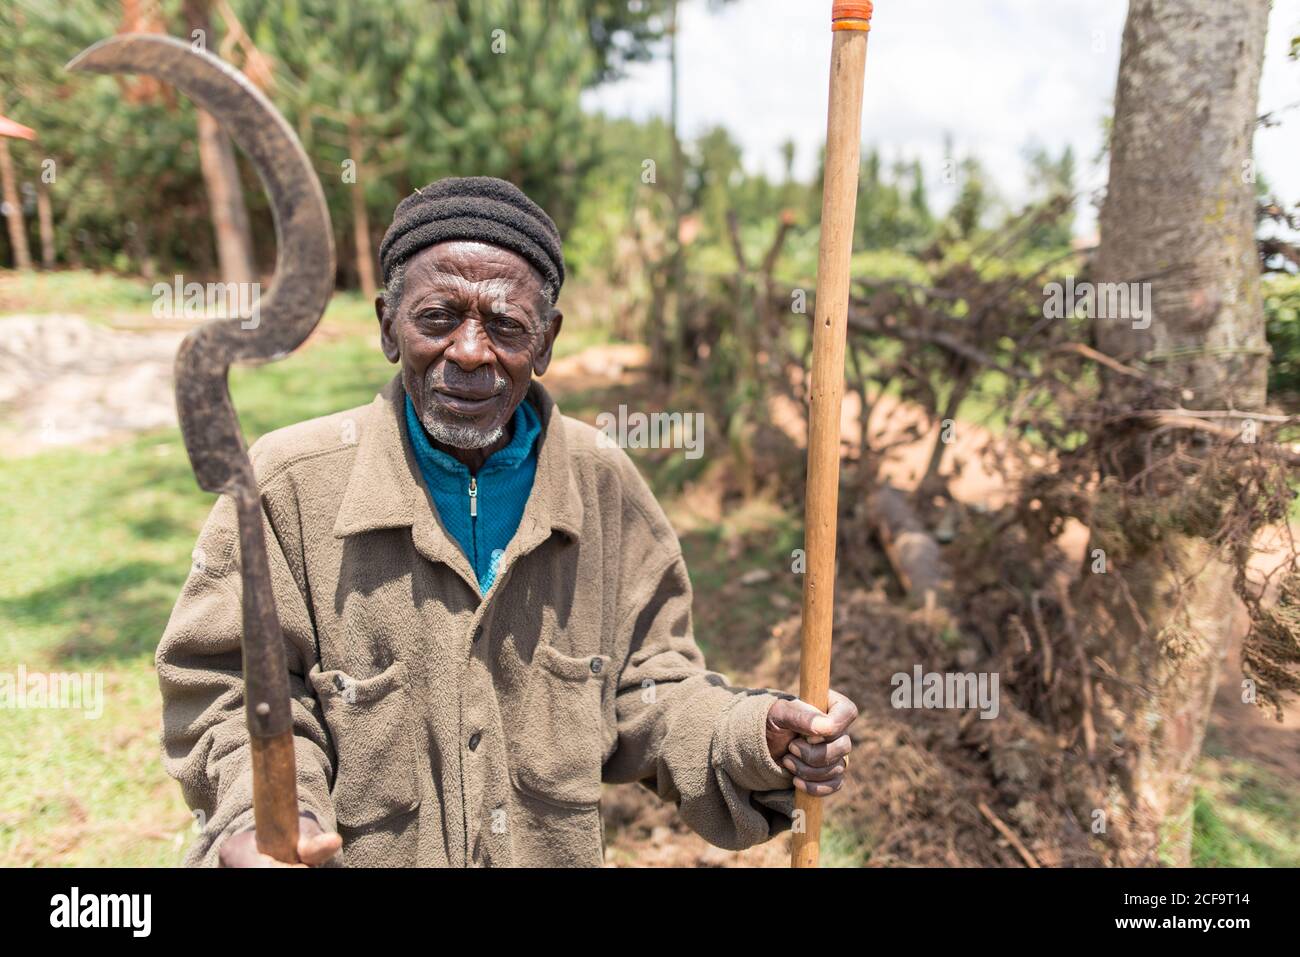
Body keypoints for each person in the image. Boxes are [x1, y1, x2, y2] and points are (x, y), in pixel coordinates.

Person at [158, 176, 857, 867]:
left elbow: (653, 690)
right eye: (438, 317)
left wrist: (753, 736)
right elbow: (229, 691)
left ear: (546, 342)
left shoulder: (604, 484)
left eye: (504, 325)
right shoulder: (287, 488)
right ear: (387, 326)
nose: (469, 351)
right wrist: (267, 816)